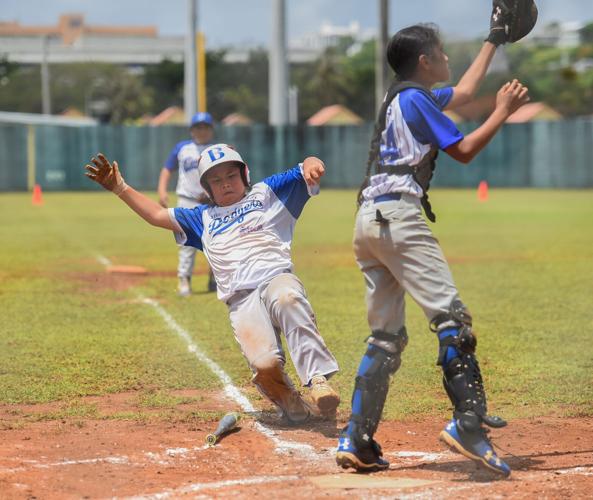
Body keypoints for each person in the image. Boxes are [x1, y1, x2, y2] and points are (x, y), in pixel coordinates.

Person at [335, 23, 529, 477]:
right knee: (452, 320)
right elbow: (463, 151)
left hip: (369, 221)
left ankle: (357, 439)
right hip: (399, 218)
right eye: (441, 54)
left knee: (385, 337)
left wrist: (494, 39)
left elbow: (463, 90)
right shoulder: (416, 99)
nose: (446, 60)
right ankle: (467, 426)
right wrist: (501, 112)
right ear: (425, 61)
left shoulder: (403, 97)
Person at [85, 144, 340, 423]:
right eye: (216, 181)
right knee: (264, 366)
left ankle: (317, 381)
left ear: (244, 175)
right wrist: (120, 187)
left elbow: (305, 166)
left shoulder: (268, 193)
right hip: (241, 299)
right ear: (207, 188)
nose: (225, 184)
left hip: (275, 278)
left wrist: (314, 164)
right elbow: (157, 216)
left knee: (287, 298)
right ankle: (293, 406)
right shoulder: (201, 218)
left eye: (231, 176)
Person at [157, 112, 217, 296]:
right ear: (191, 130)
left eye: (205, 127)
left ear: (211, 130)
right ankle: (184, 280)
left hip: (213, 203)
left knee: (216, 242)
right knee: (186, 244)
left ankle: (215, 279)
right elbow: (167, 169)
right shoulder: (182, 148)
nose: (202, 131)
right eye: (198, 127)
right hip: (187, 201)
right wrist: (161, 190)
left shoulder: (217, 149)